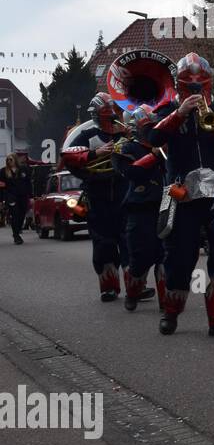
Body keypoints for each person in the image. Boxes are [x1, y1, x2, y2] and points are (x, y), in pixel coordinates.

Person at [148, 53, 214, 337]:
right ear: (180, 85)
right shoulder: (167, 110)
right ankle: (171, 312)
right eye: (190, 85)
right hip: (181, 192)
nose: (197, 90)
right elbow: (153, 139)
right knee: (179, 258)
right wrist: (180, 113)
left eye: (201, 85)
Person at [60, 93, 128, 301]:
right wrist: (96, 154)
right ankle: (109, 287)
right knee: (103, 243)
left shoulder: (125, 133)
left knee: (131, 241)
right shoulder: (87, 135)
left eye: (113, 114)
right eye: (107, 114)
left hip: (124, 191)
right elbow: (68, 156)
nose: (112, 118)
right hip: (97, 194)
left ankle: (136, 286)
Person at [114, 105, 164, 311]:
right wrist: (153, 155)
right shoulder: (127, 148)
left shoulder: (164, 145)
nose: (151, 130)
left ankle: (167, 302)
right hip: (140, 207)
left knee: (165, 256)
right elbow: (131, 172)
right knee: (139, 257)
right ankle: (133, 292)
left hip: (164, 205)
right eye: (148, 126)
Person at [1, 152, 29, 244]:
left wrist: (31, 196)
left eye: (11, 159)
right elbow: (1, 185)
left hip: (23, 195)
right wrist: (2, 198)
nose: (9, 161)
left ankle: (18, 229)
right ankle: (16, 235)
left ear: (15, 160)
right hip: (11, 196)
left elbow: (28, 183)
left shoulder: (23, 169)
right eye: (8, 160)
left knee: (22, 214)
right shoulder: (3, 171)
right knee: (15, 215)